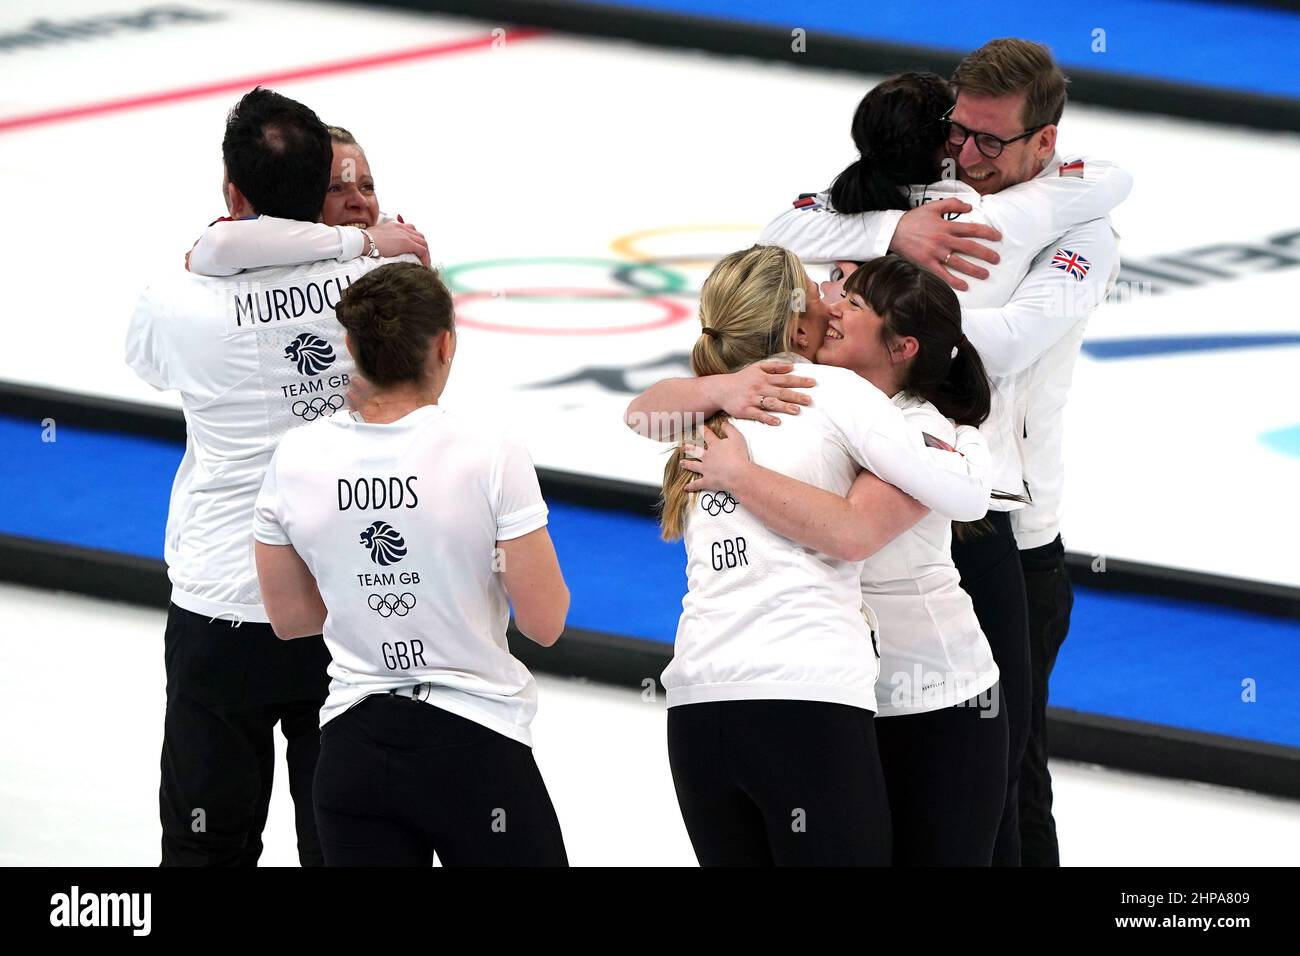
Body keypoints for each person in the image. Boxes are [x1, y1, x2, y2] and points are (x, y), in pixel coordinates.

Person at [759, 44, 1128, 865]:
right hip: (888, 521)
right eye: (959, 132)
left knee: (1008, 779)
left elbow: (1011, 343)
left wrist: (899, 312)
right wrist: (897, 228)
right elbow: (778, 226)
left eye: (991, 141)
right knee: (884, 756)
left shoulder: (1082, 226)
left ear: (1046, 143)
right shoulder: (922, 194)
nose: (966, 155)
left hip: (1004, 531)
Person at [124, 86, 418, 866]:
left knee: (204, 847)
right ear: (322, 195)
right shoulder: (380, 287)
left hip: (222, 606)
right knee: (346, 844)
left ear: (232, 192)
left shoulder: (176, 297)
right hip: (346, 606)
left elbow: (196, 280)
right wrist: (358, 246)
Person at [633, 244, 990, 866]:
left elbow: (640, 415)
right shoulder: (831, 392)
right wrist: (968, 446)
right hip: (807, 702)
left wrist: (722, 394)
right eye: (825, 291)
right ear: (798, 325)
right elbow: (945, 503)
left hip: (696, 708)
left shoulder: (705, 410)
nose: (834, 295)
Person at [254, 262, 570, 867]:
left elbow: (290, 618)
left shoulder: (296, 456)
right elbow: (545, 621)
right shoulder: (491, 453)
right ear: (445, 345)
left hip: (352, 753)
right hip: (475, 748)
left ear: (351, 346)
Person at [185, 124, 428, 276]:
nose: (358, 202)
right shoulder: (251, 239)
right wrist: (366, 241)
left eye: (367, 187)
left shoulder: (396, 235)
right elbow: (215, 247)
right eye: (334, 188)